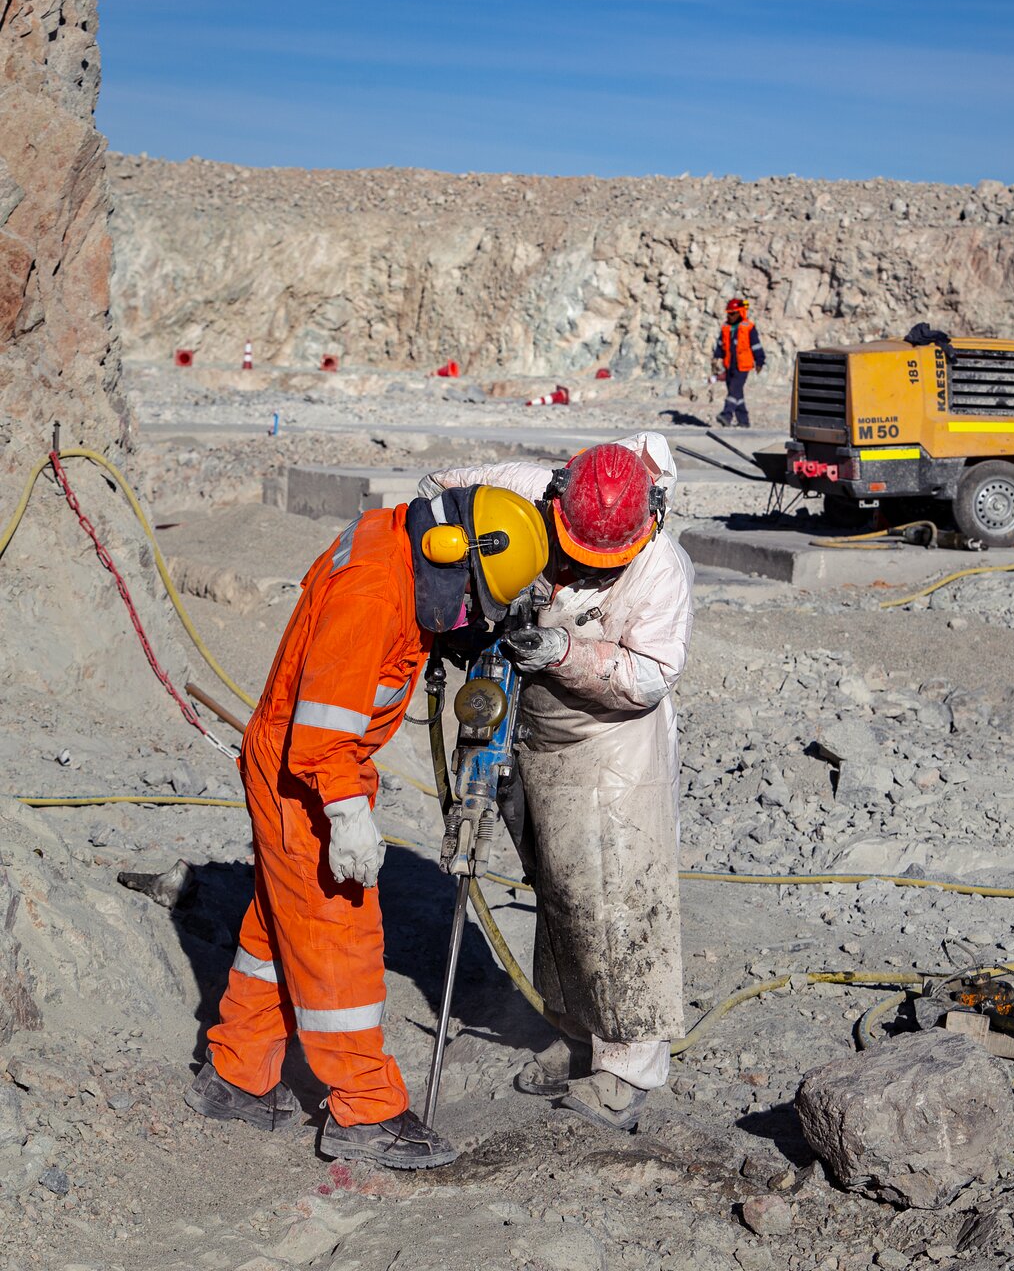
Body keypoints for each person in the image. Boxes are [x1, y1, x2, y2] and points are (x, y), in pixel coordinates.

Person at [184, 483, 549, 1169]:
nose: (467, 612)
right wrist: (347, 815)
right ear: (447, 552)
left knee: (278, 926)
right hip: (309, 776)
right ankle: (365, 1112)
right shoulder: (372, 595)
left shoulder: (397, 539)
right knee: (336, 932)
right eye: (469, 596)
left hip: (295, 761)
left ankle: (236, 1075)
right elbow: (322, 732)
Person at [428, 433, 693, 1135]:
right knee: (561, 887)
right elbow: (438, 492)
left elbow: (649, 677)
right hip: (531, 726)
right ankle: (578, 1035)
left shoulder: (659, 568)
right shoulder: (526, 488)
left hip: (611, 747)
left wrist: (567, 650)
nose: (582, 566)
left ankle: (627, 1069)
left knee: (617, 897)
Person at [714, 295, 766, 428]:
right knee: (738, 394)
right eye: (729, 313)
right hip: (729, 365)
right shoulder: (726, 327)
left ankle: (726, 415)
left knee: (733, 390)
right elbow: (720, 345)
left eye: (733, 313)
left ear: (740, 312)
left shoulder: (748, 327)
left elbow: (756, 346)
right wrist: (716, 358)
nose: (730, 316)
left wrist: (759, 361)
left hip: (743, 366)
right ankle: (744, 421)